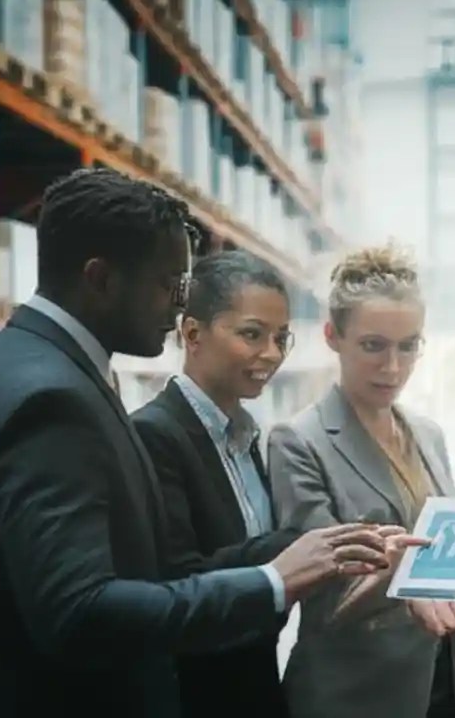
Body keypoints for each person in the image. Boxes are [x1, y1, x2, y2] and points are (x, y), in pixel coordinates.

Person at [0, 169, 399, 718]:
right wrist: (272, 580)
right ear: (101, 279)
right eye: (171, 286)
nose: (177, 307)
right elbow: (79, 612)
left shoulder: (2, 362)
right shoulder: (51, 398)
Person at [268, 245, 455, 718]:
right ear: (332, 336)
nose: (393, 367)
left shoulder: (427, 434)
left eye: (409, 346)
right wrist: (403, 571)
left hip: (441, 682)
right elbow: (322, 596)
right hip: (356, 695)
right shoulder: (298, 443)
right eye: (373, 345)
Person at [131, 251, 301, 718]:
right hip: (196, 692)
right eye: (251, 334)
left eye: (281, 337)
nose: (271, 354)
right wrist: (296, 553)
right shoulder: (154, 435)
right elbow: (177, 578)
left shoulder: (245, 435)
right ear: (192, 334)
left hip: (254, 676)